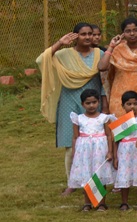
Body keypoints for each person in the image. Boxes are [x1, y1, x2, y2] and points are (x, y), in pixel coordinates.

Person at [39, 23, 104, 185]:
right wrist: (60, 43)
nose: (88, 37)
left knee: (97, 143)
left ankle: (96, 181)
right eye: (83, 34)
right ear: (75, 36)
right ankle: (72, 182)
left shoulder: (99, 53)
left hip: (94, 103)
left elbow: (106, 78)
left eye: (90, 33)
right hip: (69, 101)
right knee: (70, 144)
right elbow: (42, 59)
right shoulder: (64, 54)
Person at [67, 88, 114, 211]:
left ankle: (101, 203)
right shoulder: (78, 118)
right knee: (86, 175)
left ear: (98, 102)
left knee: (99, 174)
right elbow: (75, 136)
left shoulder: (104, 118)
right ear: (82, 104)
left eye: (94, 102)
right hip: (84, 151)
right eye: (88, 103)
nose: (91, 105)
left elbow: (109, 135)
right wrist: (74, 152)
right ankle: (87, 203)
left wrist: (110, 151)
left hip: (100, 150)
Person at [100, 18, 137, 115]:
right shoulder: (117, 50)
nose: (132, 34)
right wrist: (111, 46)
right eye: (128, 31)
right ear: (123, 33)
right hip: (119, 96)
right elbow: (102, 67)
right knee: (119, 128)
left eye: (135, 30)